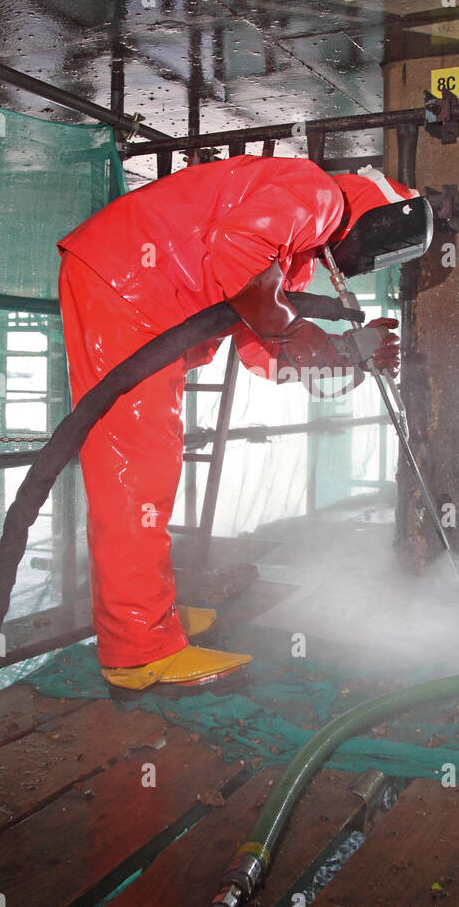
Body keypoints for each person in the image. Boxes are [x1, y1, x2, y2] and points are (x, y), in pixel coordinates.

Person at [57, 155, 432, 691]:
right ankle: (138, 649)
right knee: (136, 472)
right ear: (374, 217)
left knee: (150, 474)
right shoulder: (319, 194)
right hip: (126, 287)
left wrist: (344, 359)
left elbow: (264, 352)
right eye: (367, 253)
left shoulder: (291, 259)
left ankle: (151, 615)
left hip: (136, 295)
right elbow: (238, 251)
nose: (351, 264)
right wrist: (311, 340)